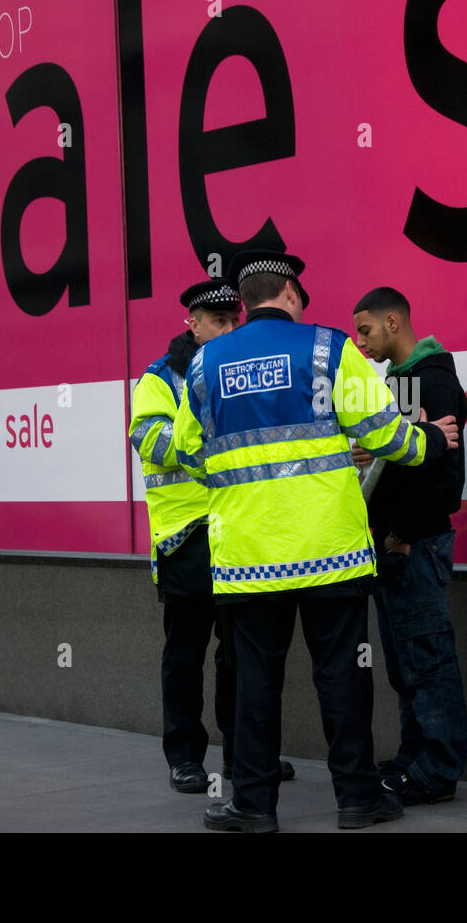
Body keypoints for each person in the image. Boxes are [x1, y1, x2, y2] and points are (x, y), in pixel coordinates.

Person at [172, 250, 461, 832]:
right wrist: (431, 439)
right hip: (331, 553)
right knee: (343, 678)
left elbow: (187, 451)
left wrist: (240, 481)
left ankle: (253, 805)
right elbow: (384, 432)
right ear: (289, 292)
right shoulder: (329, 349)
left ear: (244, 301)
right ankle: (358, 798)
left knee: (255, 682)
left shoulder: (205, 364)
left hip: (249, 559)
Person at [128, 280, 294, 792]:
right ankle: (183, 756)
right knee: (185, 653)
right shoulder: (160, 378)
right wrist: (213, 439)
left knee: (239, 652)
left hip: (239, 529)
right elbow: (148, 439)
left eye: (233, 321)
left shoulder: (240, 371)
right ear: (193, 325)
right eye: (217, 322)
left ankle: (246, 754)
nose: (227, 329)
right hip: (185, 539)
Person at [350, 287, 467, 804]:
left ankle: (437, 771)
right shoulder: (399, 382)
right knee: (406, 662)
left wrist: (400, 536)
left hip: (414, 546)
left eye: (366, 330)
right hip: (394, 546)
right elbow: (402, 458)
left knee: (428, 658)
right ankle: (414, 758)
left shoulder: (432, 381)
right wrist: (368, 454)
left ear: (393, 323)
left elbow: (443, 480)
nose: (361, 343)